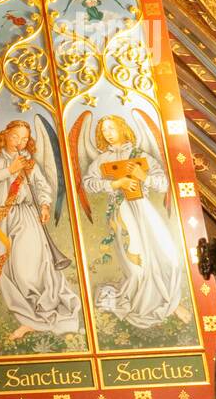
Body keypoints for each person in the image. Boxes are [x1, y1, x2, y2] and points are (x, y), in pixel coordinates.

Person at [0, 119, 83, 341]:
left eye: (24, 138)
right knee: (6, 270)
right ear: (4, 136)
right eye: (15, 137)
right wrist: (8, 170)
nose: (20, 142)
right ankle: (29, 320)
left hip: (26, 217)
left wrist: (44, 205)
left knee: (28, 268)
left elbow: (42, 185)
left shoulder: (29, 162)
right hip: (4, 218)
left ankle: (47, 314)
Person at [81, 115, 189, 328]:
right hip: (122, 213)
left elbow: (163, 184)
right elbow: (88, 184)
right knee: (138, 263)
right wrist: (114, 184)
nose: (108, 134)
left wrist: (143, 176)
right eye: (104, 131)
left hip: (145, 209)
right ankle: (153, 305)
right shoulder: (102, 161)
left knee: (169, 257)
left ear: (123, 128)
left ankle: (169, 300)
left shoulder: (141, 156)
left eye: (111, 128)